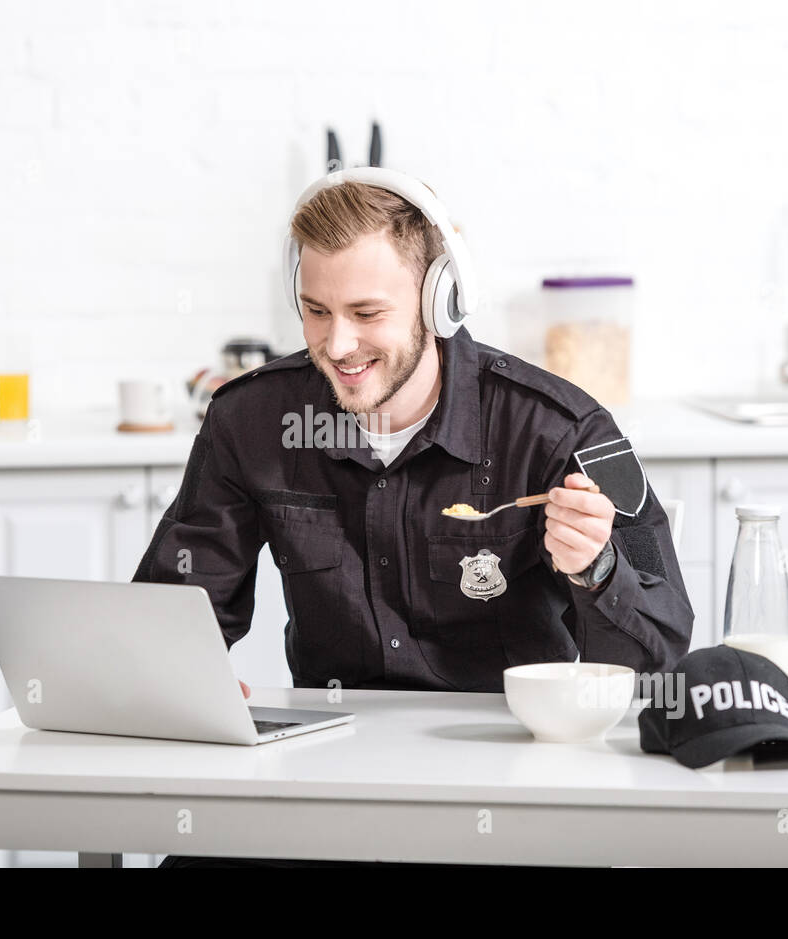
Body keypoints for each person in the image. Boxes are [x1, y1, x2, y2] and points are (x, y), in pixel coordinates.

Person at [133, 168, 694, 867]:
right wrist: (184, 679)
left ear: (440, 301)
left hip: (505, 786)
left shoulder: (564, 431)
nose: (337, 345)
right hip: (321, 782)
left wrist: (597, 568)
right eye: (315, 311)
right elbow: (168, 617)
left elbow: (661, 656)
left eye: (367, 314)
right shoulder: (249, 419)